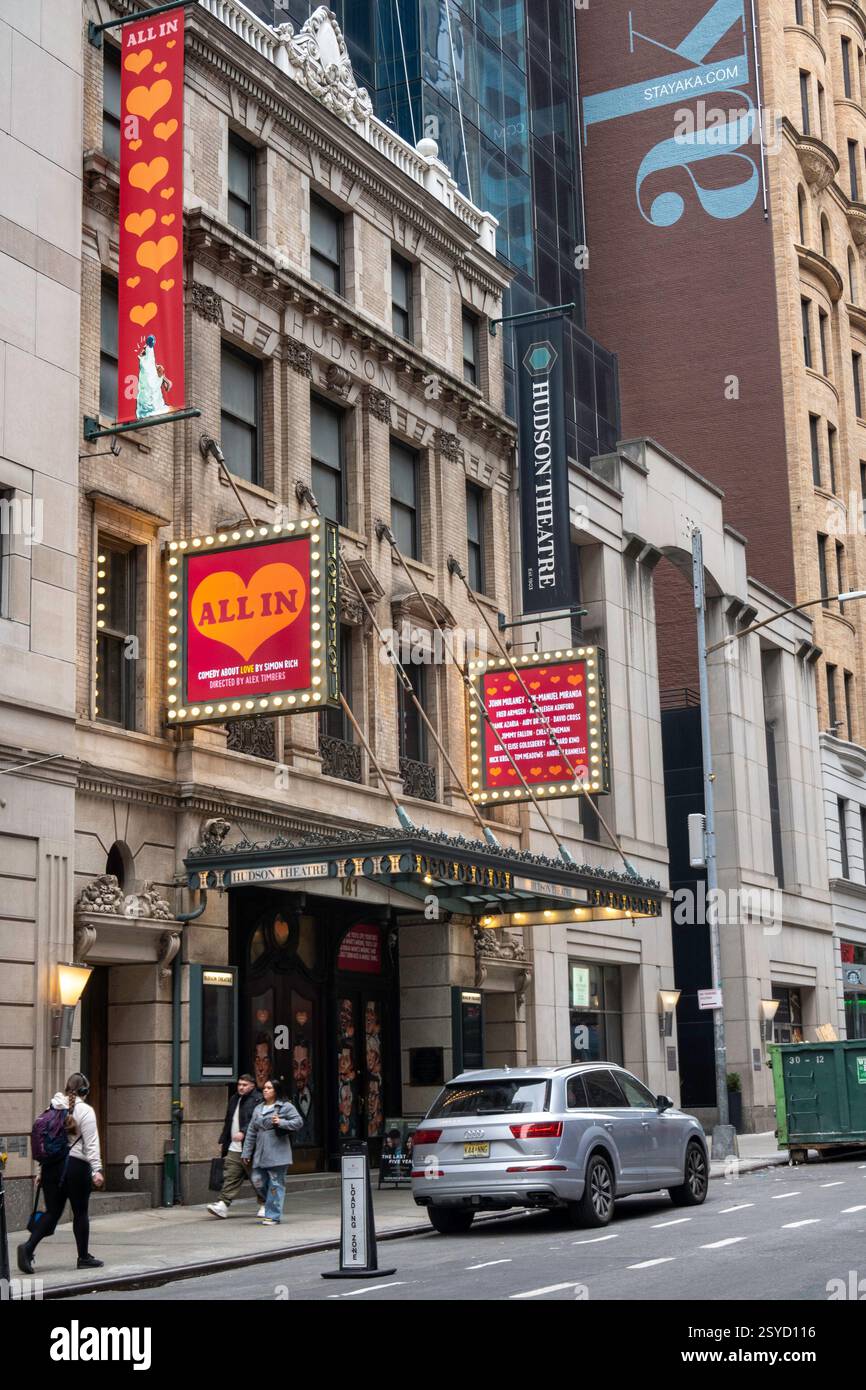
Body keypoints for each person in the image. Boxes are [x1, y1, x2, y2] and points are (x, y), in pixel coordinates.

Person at [17, 1072, 104, 1274]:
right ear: (84, 1091)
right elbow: (91, 1143)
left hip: (51, 1168)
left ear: (67, 1088)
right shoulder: (85, 1110)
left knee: (52, 1212)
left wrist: (41, 1171)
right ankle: (83, 1257)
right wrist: (96, 1169)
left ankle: (28, 1248)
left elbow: (47, 1142)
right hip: (76, 1167)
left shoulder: (52, 1107)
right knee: (80, 1212)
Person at [241, 1079, 303, 1226]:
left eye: (269, 1088)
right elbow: (251, 1132)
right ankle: (270, 1203)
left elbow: (298, 1122)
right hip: (260, 1153)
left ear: (276, 1090)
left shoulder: (285, 1107)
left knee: (276, 1184)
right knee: (257, 1180)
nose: (265, 1090)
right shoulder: (258, 1108)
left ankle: (273, 1215)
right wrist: (246, 1152)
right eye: (265, 1088)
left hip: (278, 1153)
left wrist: (281, 1122)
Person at [207, 1073, 262, 1219]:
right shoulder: (234, 1099)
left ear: (252, 1086)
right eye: (239, 1084)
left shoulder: (258, 1099)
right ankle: (223, 1204)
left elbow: (254, 1121)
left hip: (250, 1146)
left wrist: (244, 1132)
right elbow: (229, 1120)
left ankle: (265, 1203)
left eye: (244, 1085)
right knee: (231, 1175)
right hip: (234, 1145)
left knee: (256, 1176)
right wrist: (225, 1140)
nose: (241, 1087)